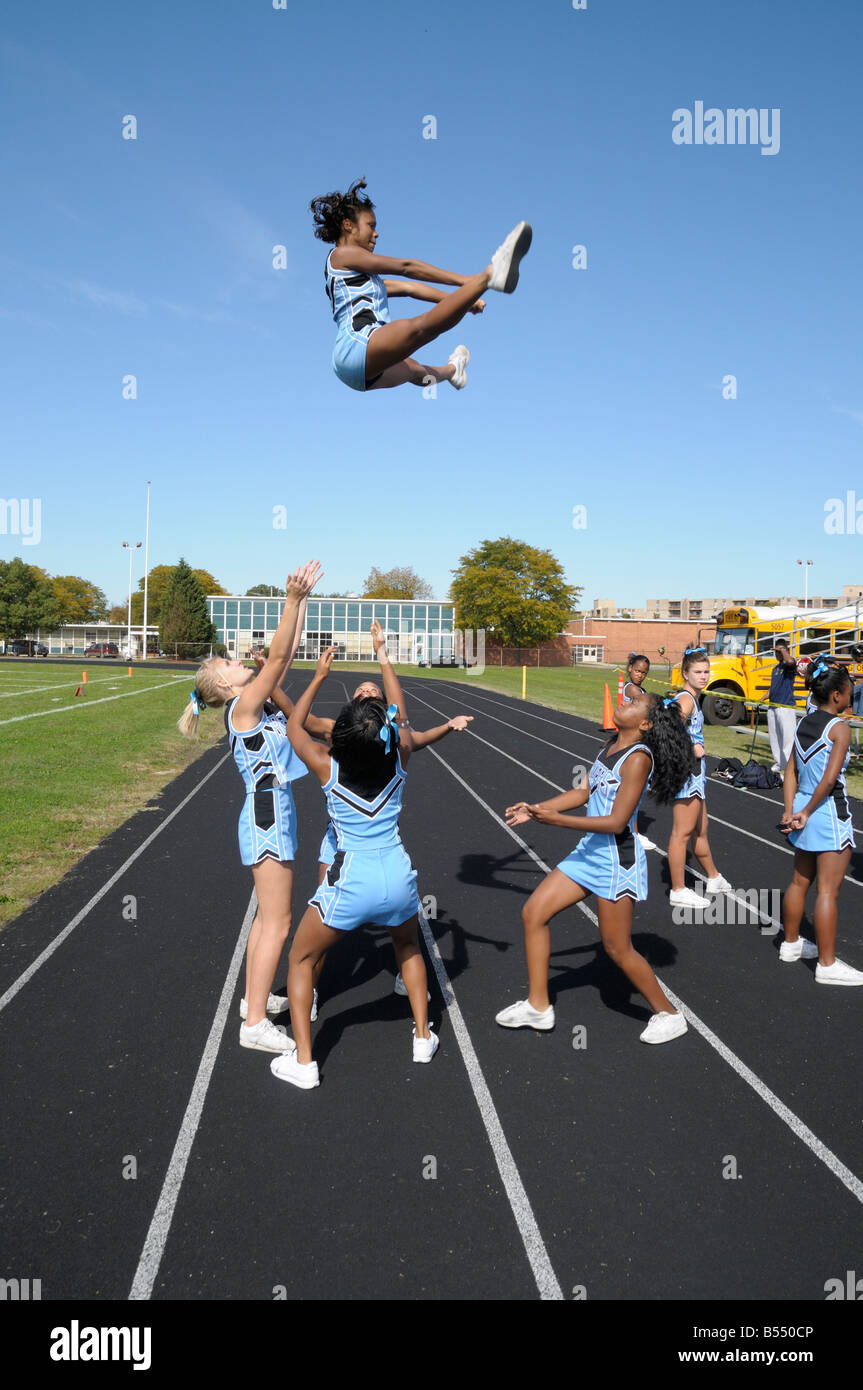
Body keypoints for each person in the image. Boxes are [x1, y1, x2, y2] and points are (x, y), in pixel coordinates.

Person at [272, 622, 435, 1089]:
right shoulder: (401, 756)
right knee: (407, 947)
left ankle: (304, 1063)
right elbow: (402, 719)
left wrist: (320, 676)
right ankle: (423, 1037)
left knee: (301, 962)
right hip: (399, 874)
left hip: (351, 878)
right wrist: (384, 655)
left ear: (340, 736)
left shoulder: (326, 765)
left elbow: (294, 724)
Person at [178, 560, 324, 1052]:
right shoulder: (242, 709)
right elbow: (279, 662)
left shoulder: (249, 707)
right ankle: (255, 1024)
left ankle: (251, 1003)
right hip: (268, 816)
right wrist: (289, 600)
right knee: (279, 922)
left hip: (267, 812)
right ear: (225, 688)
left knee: (266, 919)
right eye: (229, 665)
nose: (238, 662)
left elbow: (282, 659)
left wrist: (300, 602)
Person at [496, 693, 694, 1044]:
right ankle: (538, 1006)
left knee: (617, 948)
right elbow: (584, 791)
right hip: (589, 852)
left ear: (645, 724)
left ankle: (670, 1014)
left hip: (616, 861)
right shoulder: (612, 743)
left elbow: (618, 822)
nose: (625, 701)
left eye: (634, 704)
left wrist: (557, 821)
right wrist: (537, 808)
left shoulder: (638, 759)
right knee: (534, 913)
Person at [313, 669, 473, 1001]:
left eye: (373, 689)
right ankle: (310, 989)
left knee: (400, 926)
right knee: (321, 924)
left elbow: (417, 732)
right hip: (338, 840)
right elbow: (303, 722)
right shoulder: (337, 730)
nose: (367, 691)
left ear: (384, 705)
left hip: (378, 840)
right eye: (361, 689)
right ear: (352, 701)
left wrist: (446, 725)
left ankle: (405, 977)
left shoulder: (395, 739)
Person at [310, 177, 531, 392]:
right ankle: (490, 275)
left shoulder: (367, 284)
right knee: (419, 329)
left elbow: (411, 289)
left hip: (358, 369)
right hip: (356, 347)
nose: (376, 233)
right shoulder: (340, 255)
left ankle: (453, 370)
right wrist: (469, 282)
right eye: (371, 225)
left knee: (416, 371)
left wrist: (467, 299)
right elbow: (406, 267)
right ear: (348, 226)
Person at [779, 659, 863, 984]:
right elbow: (828, 782)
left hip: (802, 808)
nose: (852, 695)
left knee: (800, 881)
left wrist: (791, 809)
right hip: (826, 813)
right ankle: (827, 965)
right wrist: (807, 811)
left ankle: (790, 943)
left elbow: (790, 771)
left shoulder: (804, 723)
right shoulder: (839, 728)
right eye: (850, 691)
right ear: (838, 695)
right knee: (828, 892)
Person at [667, 647, 732, 910]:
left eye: (706, 671)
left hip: (696, 771)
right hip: (687, 772)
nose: (704, 676)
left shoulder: (693, 698)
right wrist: (690, 746)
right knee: (681, 833)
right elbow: (669, 729)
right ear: (685, 673)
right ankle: (678, 889)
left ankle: (713, 877)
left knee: (700, 828)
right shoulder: (686, 699)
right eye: (698, 672)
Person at [620, 655, 656, 850]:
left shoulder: (639, 689)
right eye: (637, 671)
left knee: (635, 790)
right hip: (631, 745)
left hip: (637, 742)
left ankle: (628, 828)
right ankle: (633, 833)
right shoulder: (632, 689)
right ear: (629, 668)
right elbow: (644, 702)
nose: (640, 675)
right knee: (634, 789)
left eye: (644, 672)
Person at [767, 639, 798, 772]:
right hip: (773, 706)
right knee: (775, 738)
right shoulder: (775, 669)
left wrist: (783, 650)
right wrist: (760, 700)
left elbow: (790, 661)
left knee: (787, 739)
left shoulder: (790, 665)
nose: (778, 654)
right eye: (776, 651)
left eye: (780, 651)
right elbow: (772, 689)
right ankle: (779, 763)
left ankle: (790, 766)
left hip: (785, 707)